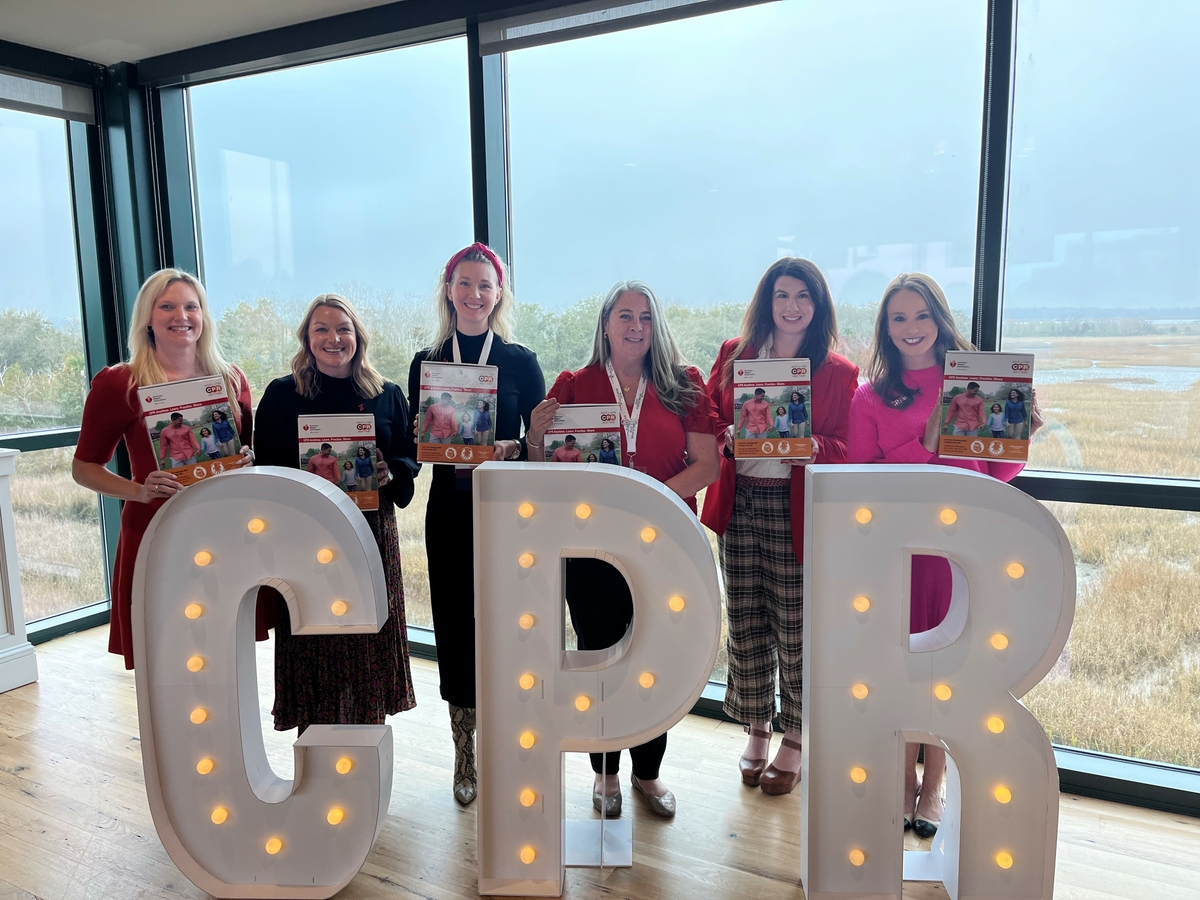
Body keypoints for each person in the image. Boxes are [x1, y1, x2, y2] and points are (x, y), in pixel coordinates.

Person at [847, 272, 1043, 839]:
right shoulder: (872, 397)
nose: (911, 328)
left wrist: (1018, 440)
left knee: (950, 671)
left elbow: (994, 474)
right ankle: (903, 775)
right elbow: (862, 482)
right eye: (898, 318)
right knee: (904, 666)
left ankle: (934, 782)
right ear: (886, 329)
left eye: (921, 315)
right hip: (902, 555)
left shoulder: (974, 384)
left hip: (967, 552)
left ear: (940, 319)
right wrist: (924, 443)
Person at [528, 280, 720, 820]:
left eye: (645, 317)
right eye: (625, 316)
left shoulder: (684, 385)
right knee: (598, 656)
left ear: (656, 327)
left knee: (659, 657)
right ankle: (605, 772)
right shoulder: (574, 383)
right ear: (606, 325)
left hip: (666, 544)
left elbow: (706, 465)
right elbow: (547, 471)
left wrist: (647, 499)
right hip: (593, 550)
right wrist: (539, 436)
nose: (636, 326)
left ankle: (649, 774)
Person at [699, 257, 858, 796]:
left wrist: (812, 447)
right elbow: (712, 416)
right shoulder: (735, 354)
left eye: (803, 298)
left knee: (795, 628)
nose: (792, 307)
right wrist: (725, 435)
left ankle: (796, 733)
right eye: (782, 296)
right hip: (739, 501)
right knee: (744, 621)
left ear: (818, 307)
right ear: (766, 301)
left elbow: (845, 446)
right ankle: (757, 726)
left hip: (797, 510)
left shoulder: (837, 371)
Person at [406, 242, 544, 806]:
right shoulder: (426, 361)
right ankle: (465, 752)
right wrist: (417, 436)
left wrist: (510, 447)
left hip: (504, 513)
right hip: (447, 514)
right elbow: (416, 450)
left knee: (509, 627)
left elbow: (540, 448)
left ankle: (513, 743)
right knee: (456, 634)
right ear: (448, 288)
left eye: (485, 285)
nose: (475, 294)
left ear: (499, 294)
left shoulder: (519, 360)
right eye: (465, 283)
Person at [72, 268, 262, 669]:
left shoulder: (230, 379)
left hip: (224, 526)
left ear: (204, 316)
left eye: (192, 306)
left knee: (226, 650)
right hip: (156, 527)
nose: (182, 316)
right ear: (148, 317)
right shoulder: (120, 384)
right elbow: (84, 468)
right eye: (168, 306)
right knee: (165, 653)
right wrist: (139, 489)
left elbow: (247, 447)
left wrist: (247, 458)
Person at [255, 293, 418, 735]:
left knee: (366, 634)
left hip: (369, 532)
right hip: (304, 536)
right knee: (313, 635)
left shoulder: (386, 394)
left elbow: (408, 458)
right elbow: (264, 470)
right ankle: (316, 744)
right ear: (307, 339)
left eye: (343, 328)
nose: (333, 338)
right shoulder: (281, 395)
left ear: (357, 337)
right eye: (321, 329)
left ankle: (366, 738)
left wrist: (389, 472)